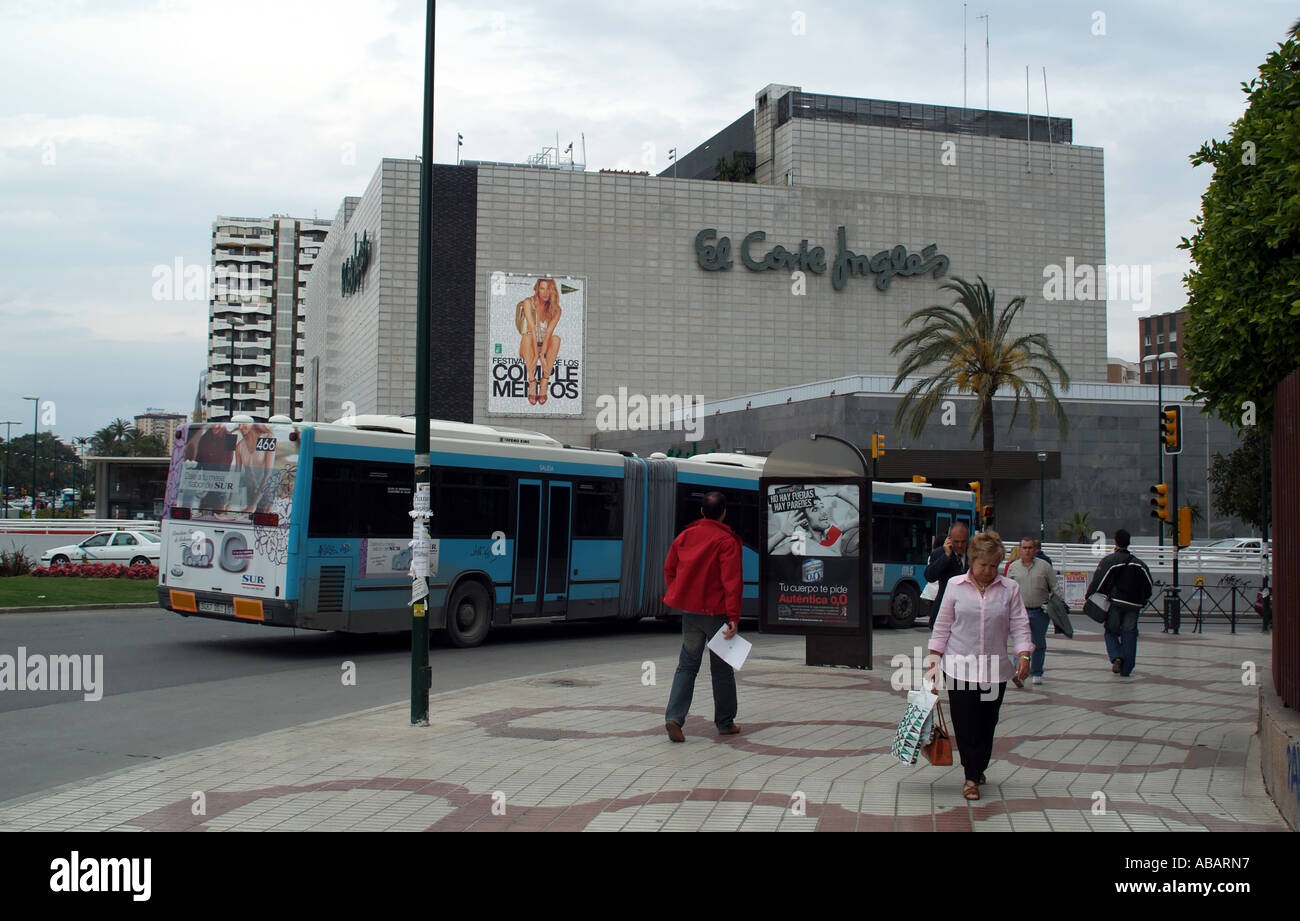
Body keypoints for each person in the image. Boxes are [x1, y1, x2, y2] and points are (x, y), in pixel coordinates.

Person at [925, 530, 1033, 801]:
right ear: (972, 561)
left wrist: (1024, 654)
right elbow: (942, 626)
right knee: (965, 723)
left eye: (993, 566)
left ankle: (979, 765)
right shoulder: (954, 585)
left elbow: (1020, 624)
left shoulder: (1010, 589)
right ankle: (970, 776)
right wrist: (933, 662)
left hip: (994, 670)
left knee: (988, 722)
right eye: (983, 565)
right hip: (959, 668)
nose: (988, 571)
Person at [662, 491, 743, 742]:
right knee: (722, 670)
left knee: (686, 666)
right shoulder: (726, 541)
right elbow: (731, 583)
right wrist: (734, 618)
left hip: (691, 613)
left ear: (701, 512)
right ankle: (725, 723)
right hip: (717, 613)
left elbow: (670, 569)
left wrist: (680, 594)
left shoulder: (685, 536)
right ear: (724, 512)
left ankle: (674, 717)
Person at [1085, 529, 1153, 677]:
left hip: (1116, 602)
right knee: (1129, 633)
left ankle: (1116, 656)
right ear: (1129, 542)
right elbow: (1149, 585)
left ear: (1115, 541)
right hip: (1134, 605)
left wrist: (1090, 595)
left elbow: (1099, 581)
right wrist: (1143, 599)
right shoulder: (1139, 564)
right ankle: (1126, 669)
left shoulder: (1110, 561)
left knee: (1111, 631)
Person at [1006, 537, 1057, 685]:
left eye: (1030, 548)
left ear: (1035, 550)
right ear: (1020, 550)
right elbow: (1006, 590)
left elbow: (1054, 587)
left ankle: (1036, 672)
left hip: (1039, 611)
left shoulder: (1045, 566)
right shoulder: (1013, 567)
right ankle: (1018, 671)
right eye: (1024, 548)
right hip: (1019, 611)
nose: (1027, 551)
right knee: (1020, 641)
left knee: (1038, 643)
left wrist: (1057, 604)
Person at [516, 278, 563, 406]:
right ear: (537, 289)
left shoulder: (556, 309)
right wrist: (537, 354)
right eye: (542, 288)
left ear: (553, 291)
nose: (545, 292)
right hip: (529, 344)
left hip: (545, 345)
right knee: (527, 336)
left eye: (549, 289)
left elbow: (548, 333)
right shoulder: (528, 302)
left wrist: (542, 355)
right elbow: (531, 328)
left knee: (556, 339)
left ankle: (544, 381)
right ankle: (532, 381)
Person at [923, 521, 969, 628]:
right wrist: (946, 556)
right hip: (944, 610)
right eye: (956, 541)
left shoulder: (974, 553)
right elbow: (929, 576)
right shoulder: (939, 553)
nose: (960, 545)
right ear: (949, 539)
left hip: (967, 613)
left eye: (963, 541)